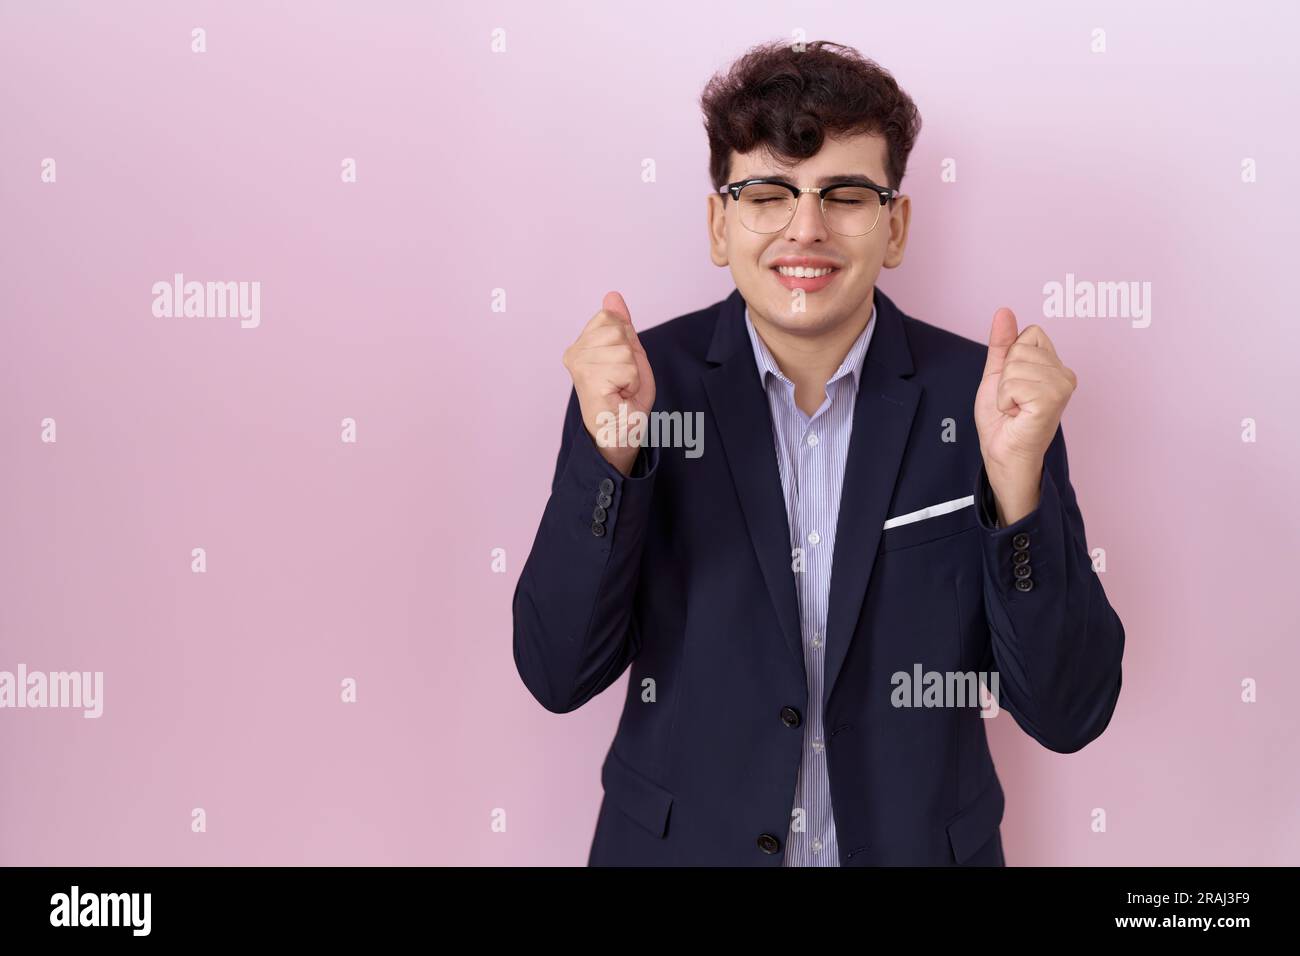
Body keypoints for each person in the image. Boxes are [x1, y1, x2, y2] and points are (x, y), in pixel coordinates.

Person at [512, 39, 1125, 867]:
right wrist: (610, 460)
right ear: (718, 224)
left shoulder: (987, 402)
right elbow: (557, 673)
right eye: (767, 193)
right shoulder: (638, 392)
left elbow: (1068, 709)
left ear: (895, 225)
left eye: (845, 194)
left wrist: (1016, 490)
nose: (806, 227)